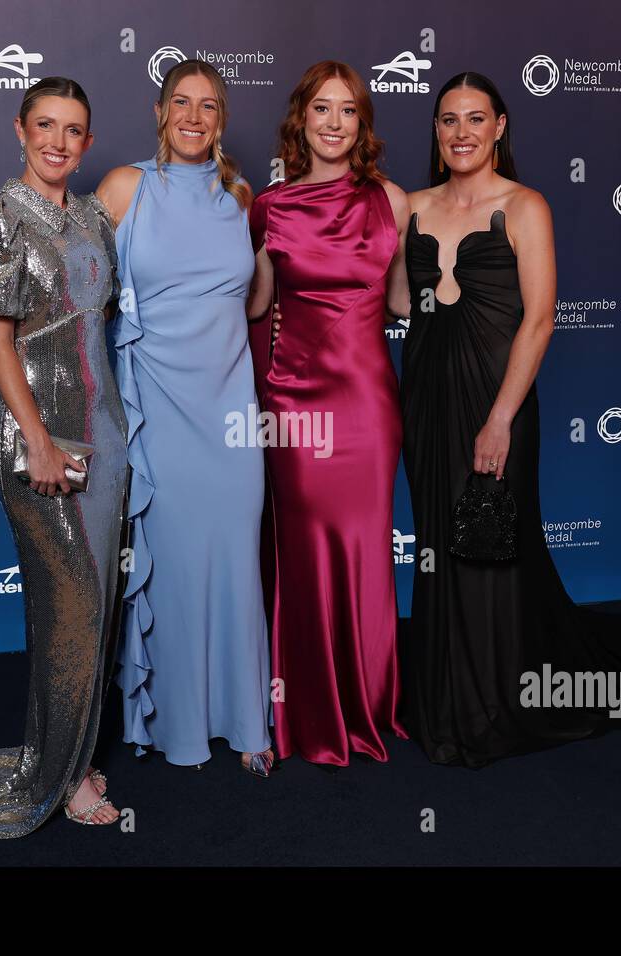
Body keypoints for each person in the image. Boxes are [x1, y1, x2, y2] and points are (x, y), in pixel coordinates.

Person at [388, 71, 621, 769]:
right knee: (438, 545)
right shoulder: (412, 206)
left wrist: (501, 419)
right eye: (448, 120)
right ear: (436, 131)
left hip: (497, 400)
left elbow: (540, 320)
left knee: (494, 547)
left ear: (500, 127)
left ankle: (496, 705)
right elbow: (399, 302)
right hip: (427, 398)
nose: (461, 133)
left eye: (475, 119)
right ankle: (444, 701)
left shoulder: (525, 206)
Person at [0, 77, 128, 833]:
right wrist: (40, 441)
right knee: (70, 610)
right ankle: (64, 774)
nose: (58, 141)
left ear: (87, 141)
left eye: (74, 130)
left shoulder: (89, 215)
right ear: (19, 129)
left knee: (93, 613)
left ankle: (70, 747)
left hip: (105, 435)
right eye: (45, 125)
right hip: (40, 438)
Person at [95, 60, 275, 775]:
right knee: (171, 568)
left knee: (235, 560)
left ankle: (246, 721)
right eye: (181, 103)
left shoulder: (239, 193)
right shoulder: (124, 187)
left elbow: (253, 303)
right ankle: (178, 725)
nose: (194, 117)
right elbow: (83, 290)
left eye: (208, 106)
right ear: (160, 111)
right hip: (160, 410)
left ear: (222, 119)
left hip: (232, 412)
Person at [245, 61, 410, 766]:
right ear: (300, 120)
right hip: (293, 400)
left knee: (366, 548)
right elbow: (255, 306)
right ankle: (301, 709)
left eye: (348, 110)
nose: (335, 123)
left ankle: (366, 704)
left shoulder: (392, 200)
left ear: (361, 124)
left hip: (368, 402)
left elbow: (403, 302)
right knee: (303, 552)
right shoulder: (270, 207)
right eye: (322, 109)